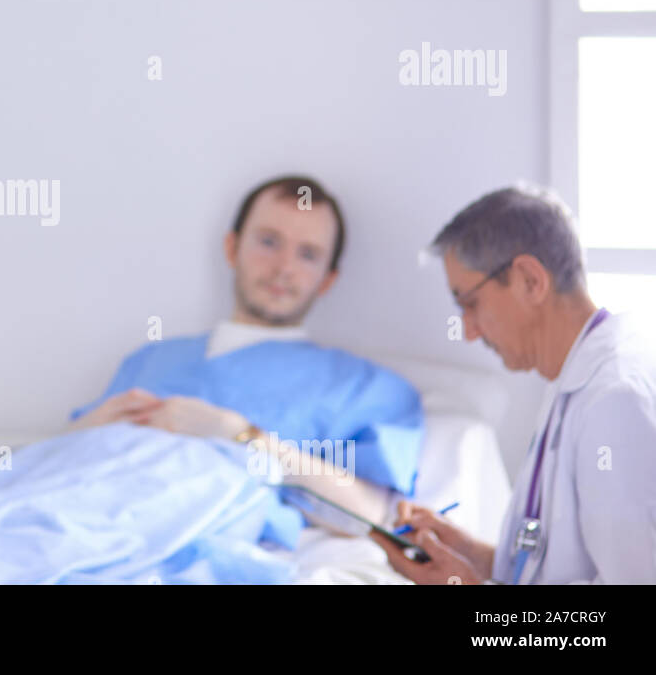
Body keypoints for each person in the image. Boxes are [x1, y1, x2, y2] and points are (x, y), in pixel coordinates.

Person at [69, 175, 424, 528]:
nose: (284, 268)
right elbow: (59, 468)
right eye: (269, 242)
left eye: (308, 254)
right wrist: (86, 430)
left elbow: (371, 515)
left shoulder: (364, 387)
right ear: (231, 248)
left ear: (328, 279)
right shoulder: (151, 360)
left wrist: (240, 435)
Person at [371, 184, 656, 584]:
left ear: (528, 280)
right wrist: (473, 556)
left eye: (469, 303)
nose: (468, 331)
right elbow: (562, 570)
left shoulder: (615, 402)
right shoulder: (572, 376)